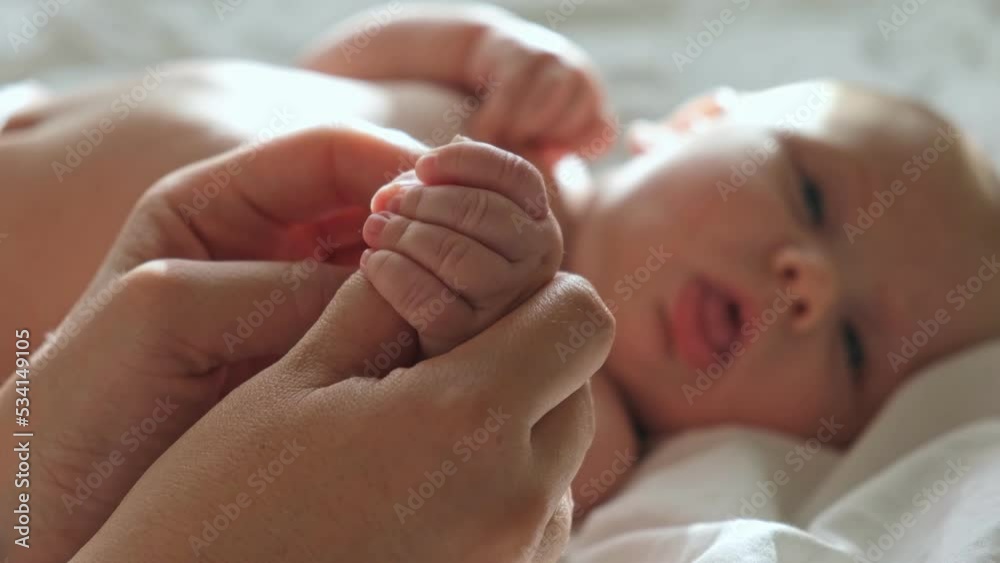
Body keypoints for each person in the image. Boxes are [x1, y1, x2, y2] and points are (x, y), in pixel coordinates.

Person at [0, 124, 614, 561]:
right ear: (700, 120)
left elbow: (476, 446)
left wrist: (17, 500)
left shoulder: (599, 388)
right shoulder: (537, 114)